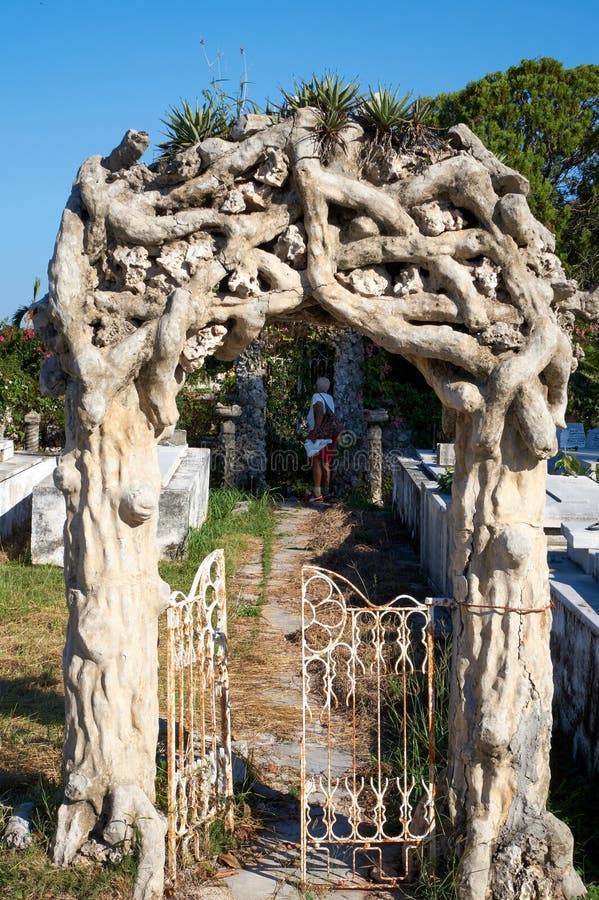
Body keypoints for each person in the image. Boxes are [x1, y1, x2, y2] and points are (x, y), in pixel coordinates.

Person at [303, 376, 337, 504]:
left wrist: (316, 432)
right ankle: (326, 493)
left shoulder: (316, 397)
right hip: (330, 433)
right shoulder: (330, 398)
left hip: (319, 432)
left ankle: (317, 494)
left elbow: (319, 412)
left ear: (317, 387)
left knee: (316, 462)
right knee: (326, 462)